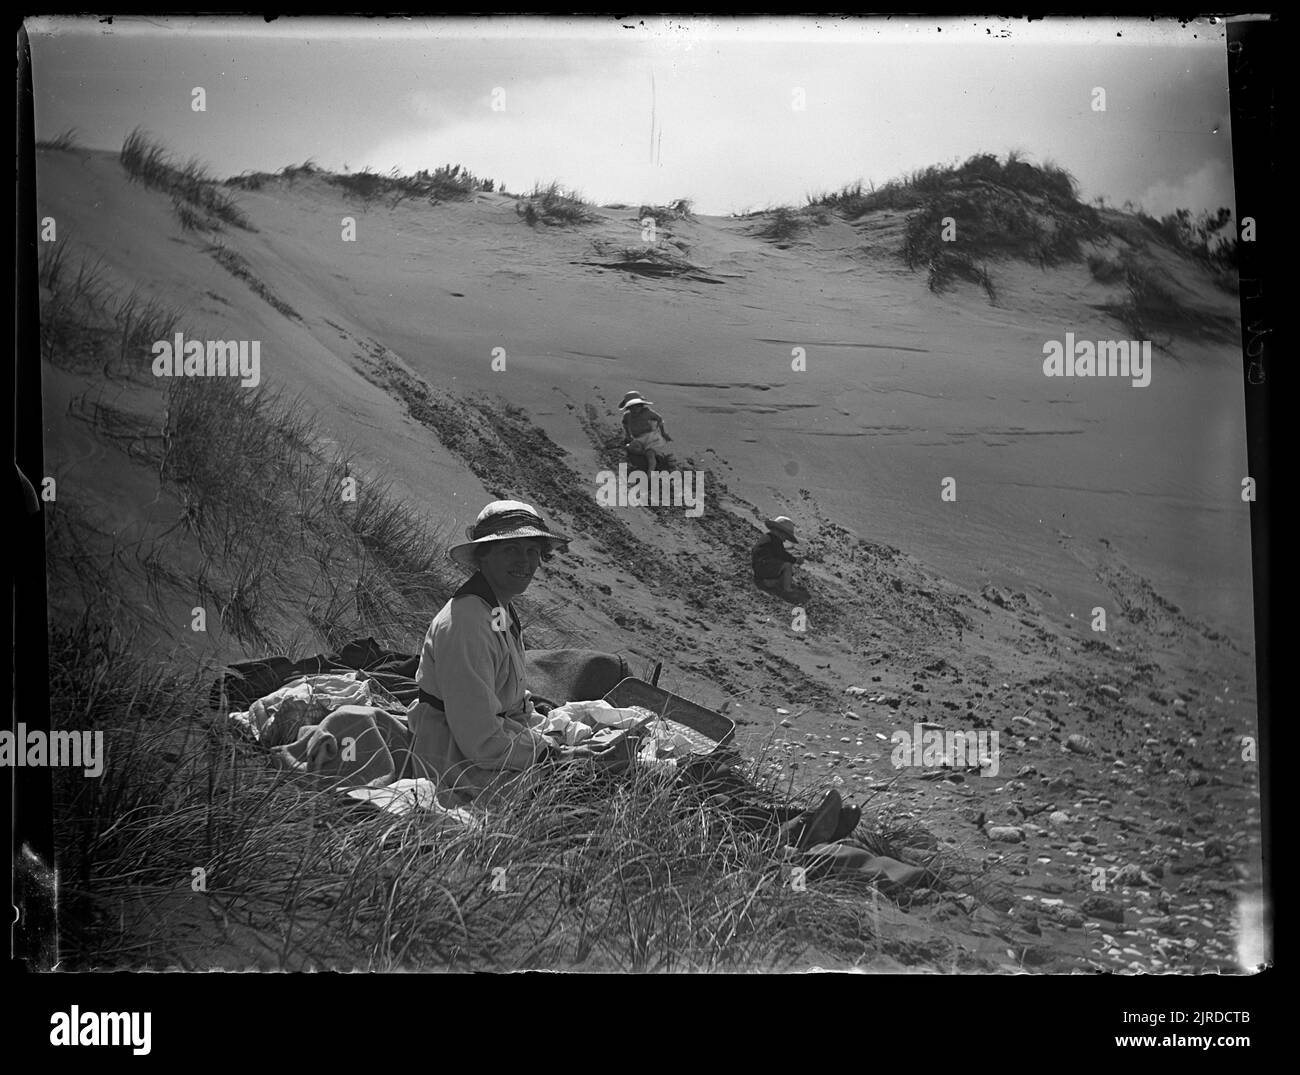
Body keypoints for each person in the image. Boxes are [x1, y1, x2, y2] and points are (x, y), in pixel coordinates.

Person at [407, 500, 573, 802]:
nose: (524, 561)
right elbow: (480, 740)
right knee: (575, 791)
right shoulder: (467, 622)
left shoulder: (498, 609)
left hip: (489, 745)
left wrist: (553, 733)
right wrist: (546, 754)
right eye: (510, 549)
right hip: (454, 761)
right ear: (483, 556)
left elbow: (509, 701)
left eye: (531, 551)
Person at [751, 516, 808, 602]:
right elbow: (782, 554)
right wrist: (795, 560)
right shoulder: (775, 540)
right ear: (779, 531)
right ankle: (787, 590)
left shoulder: (767, 538)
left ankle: (768, 582)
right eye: (785, 536)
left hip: (759, 567)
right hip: (764, 565)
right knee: (787, 566)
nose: (785, 540)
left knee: (781, 567)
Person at [619, 392, 672, 473]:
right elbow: (625, 424)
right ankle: (644, 452)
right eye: (632, 407)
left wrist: (663, 433)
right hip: (638, 438)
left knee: (650, 454)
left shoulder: (647, 413)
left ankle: (650, 472)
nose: (635, 409)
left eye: (637, 406)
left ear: (641, 405)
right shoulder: (627, 415)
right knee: (630, 448)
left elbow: (659, 419)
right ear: (628, 407)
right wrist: (627, 435)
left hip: (650, 437)